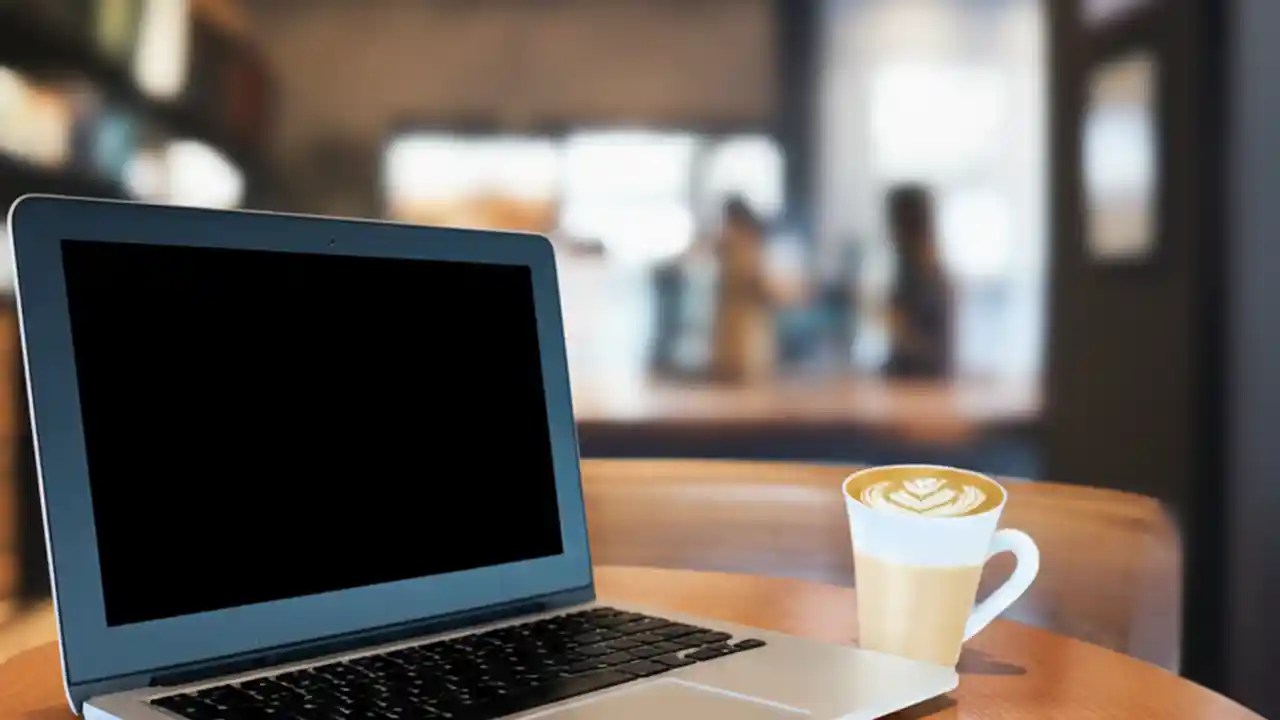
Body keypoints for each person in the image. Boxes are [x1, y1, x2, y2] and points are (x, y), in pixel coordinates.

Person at [884, 184, 953, 378]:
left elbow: (924, 346)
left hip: (919, 384)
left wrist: (890, 321)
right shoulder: (927, 267)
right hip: (919, 380)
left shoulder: (920, 273)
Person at [711, 197, 774, 383]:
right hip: (740, 329)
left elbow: (756, 281)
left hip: (740, 328)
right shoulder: (740, 245)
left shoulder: (739, 245)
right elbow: (760, 283)